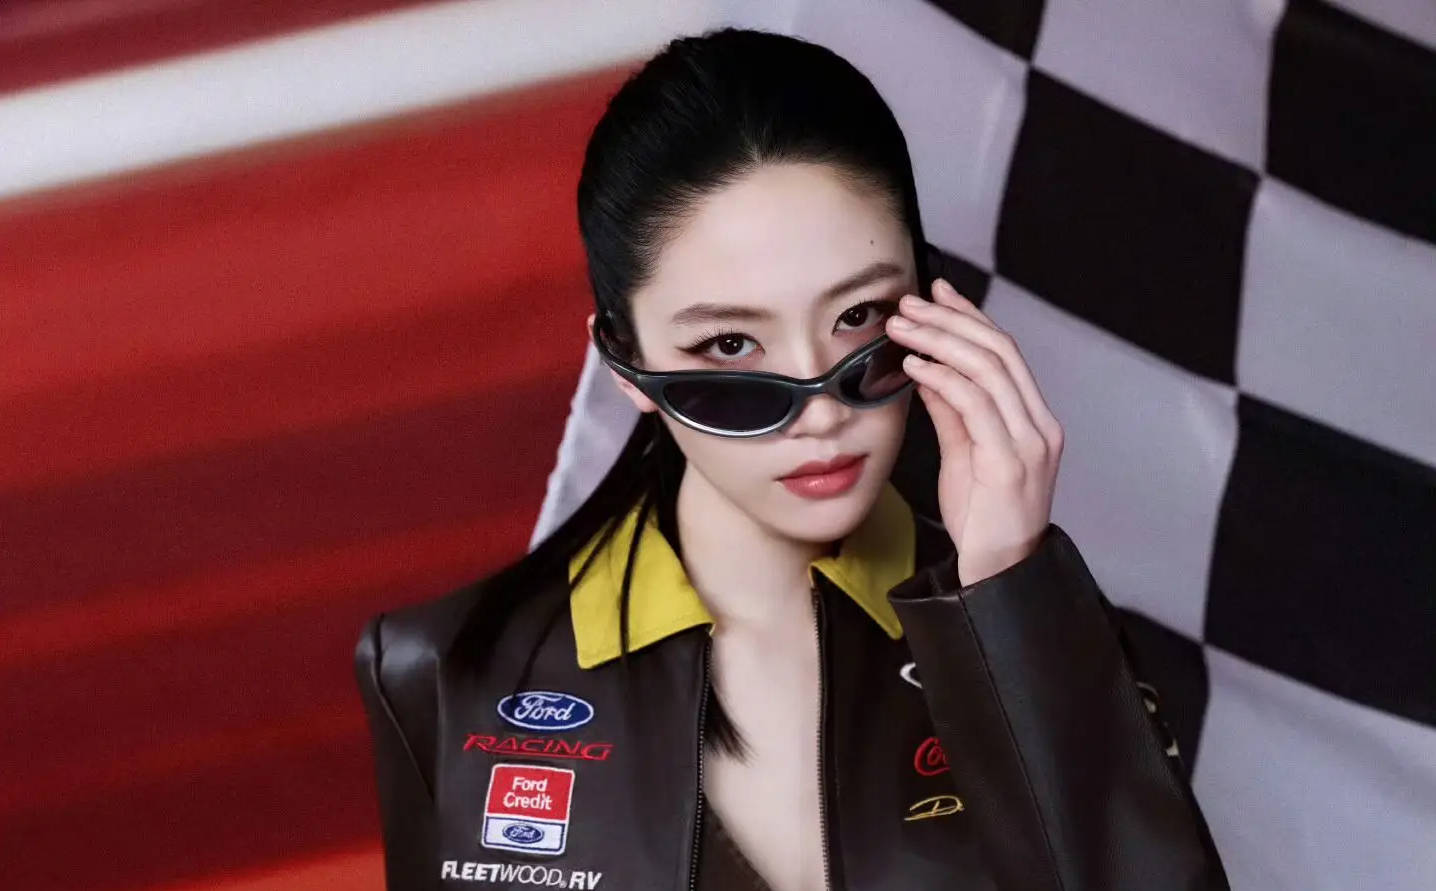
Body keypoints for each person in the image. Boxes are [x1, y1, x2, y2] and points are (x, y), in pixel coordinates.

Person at [354, 26, 1230, 891]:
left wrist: (1007, 592)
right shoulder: (442, 672)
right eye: (731, 344)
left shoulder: (1037, 621)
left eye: (857, 317)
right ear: (622, 361)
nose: (819, 410)